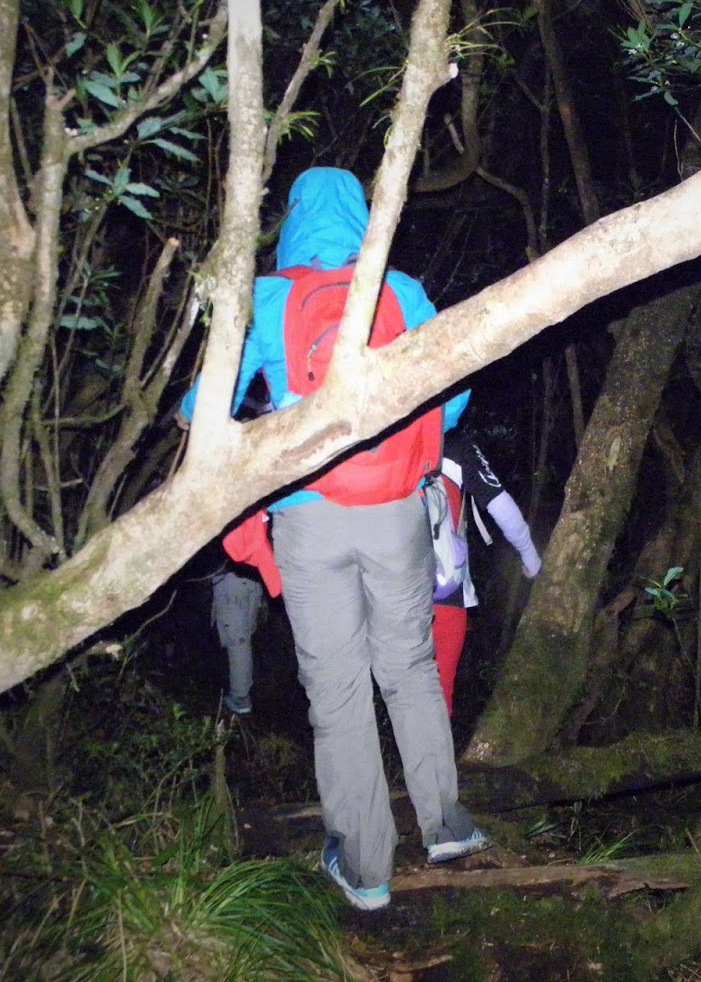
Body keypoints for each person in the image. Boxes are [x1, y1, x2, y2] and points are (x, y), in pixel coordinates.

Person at [180, 166, 487, 912]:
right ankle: (446, 824)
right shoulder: (399, 290)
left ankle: (366, 865)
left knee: (339, 690)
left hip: (307, 516)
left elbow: (206, 405)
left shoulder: (269, 296)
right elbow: (455, 397)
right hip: (397, 512)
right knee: (410, 667)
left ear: (291, 220)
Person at [432, 432, 541, 717]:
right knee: (438, 692)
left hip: (385, 590)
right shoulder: (454, 444)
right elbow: (502, 508)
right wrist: (532, 560)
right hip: (444, 590)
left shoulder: (379, 437)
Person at [210, 564, 263, 716]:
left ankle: (240, 697)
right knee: (243, 636)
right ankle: (242, 689)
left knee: (237, 640)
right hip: (253, 577)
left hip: (232, 578)